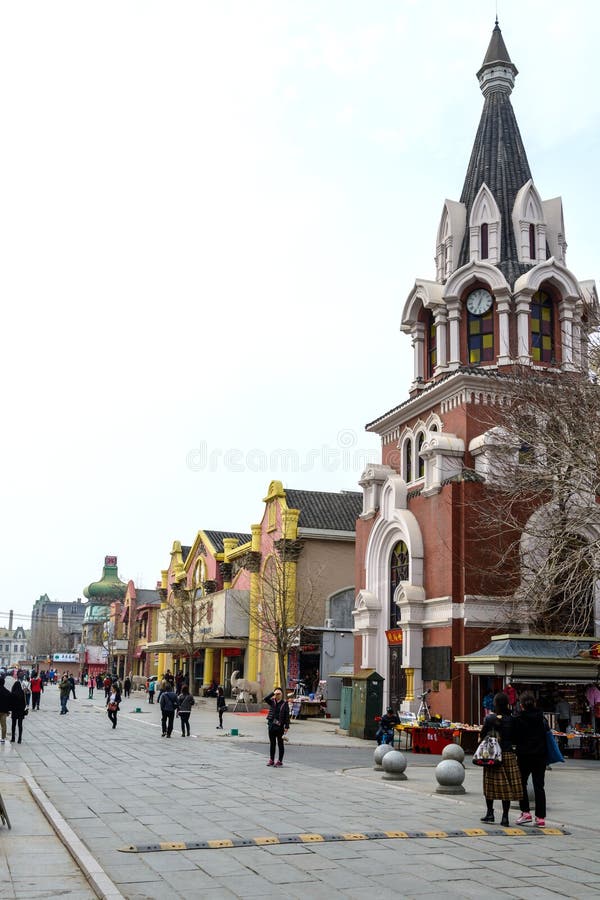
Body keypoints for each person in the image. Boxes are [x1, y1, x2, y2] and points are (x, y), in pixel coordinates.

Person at [479, 691, 522, 826]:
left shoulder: (490, 719)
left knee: (489, 785)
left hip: (492, 754)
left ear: (495, 704)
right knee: (506, 787)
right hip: (508, 754)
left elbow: (482, 734)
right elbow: (516, 737)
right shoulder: (514, 719)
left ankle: (490, 813)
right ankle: (505, 817)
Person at [513, 691, 549, 827]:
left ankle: (526, 812)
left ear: (521, 705)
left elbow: (514, 738)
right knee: (539, 786)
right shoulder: (542, 718)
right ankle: (540, 818)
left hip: (524, 755)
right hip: (540, 755)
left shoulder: (518, 719)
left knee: (522, 783)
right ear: (534, 703)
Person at [264, 687, 290, 767]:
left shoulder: (284, 704)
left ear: (282, 695)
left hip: (279, 727)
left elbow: (287, 716)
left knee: (280, 744)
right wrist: (273, 693)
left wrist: (286, 727)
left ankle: (279, 760)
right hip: (271, 725)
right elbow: (265, 698)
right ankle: (271, 760)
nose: (277, 695)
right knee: (272, 744)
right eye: (276, 694)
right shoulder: (272, 702)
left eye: (279, 694)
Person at [10, 680, 27, 744]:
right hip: (20, 711)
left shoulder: (13, 693)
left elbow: (11, 703)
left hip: (14, 711)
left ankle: (13, 738)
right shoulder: (22, 693)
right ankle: (19, 738)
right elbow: (24, 703)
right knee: (20, 725)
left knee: (13, 725)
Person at [0, 676, 14, 744]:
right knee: (3, 725)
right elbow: (10, 702)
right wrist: (8, 710)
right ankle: (3, 738)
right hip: (4, 711)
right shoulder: (7, 692)